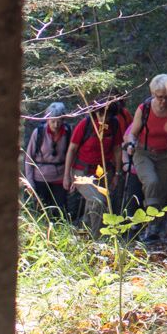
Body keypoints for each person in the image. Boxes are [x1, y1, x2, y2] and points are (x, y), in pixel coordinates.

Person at [64, 99, 131, 234]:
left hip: (102, 172)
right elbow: (72, 149)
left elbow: (117, 149)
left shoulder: (114, 125)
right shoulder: (86, 124)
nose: (103, 119)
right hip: (81, 172)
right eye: (101, 114)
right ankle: (98, 239)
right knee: (98, 201)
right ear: (96, 113)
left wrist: (117, 174)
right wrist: (66, 175)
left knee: (92, 204)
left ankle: (85, 235)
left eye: (107, 116)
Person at [125, 74, 167, 241]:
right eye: (159, 97)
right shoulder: (144, 109)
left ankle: (157, 229)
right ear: (153, 94)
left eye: (166, 97)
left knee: (161, 189)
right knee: (152, 181)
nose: (163, 101)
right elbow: (132, 134)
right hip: (144, 153)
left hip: (166, 155)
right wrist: (130, 145)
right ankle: (151, 226)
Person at [24, 102, 71, 217]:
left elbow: (72, 156)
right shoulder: (38, 133)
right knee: (41, 212)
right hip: (40, 178)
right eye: (53, 121)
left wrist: (69, 177)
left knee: (59, 211)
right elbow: (29, 158)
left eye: (59, 121)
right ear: (47, 119)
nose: (56, 125)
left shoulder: (68, 132)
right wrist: (30, 182)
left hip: (60, 178)